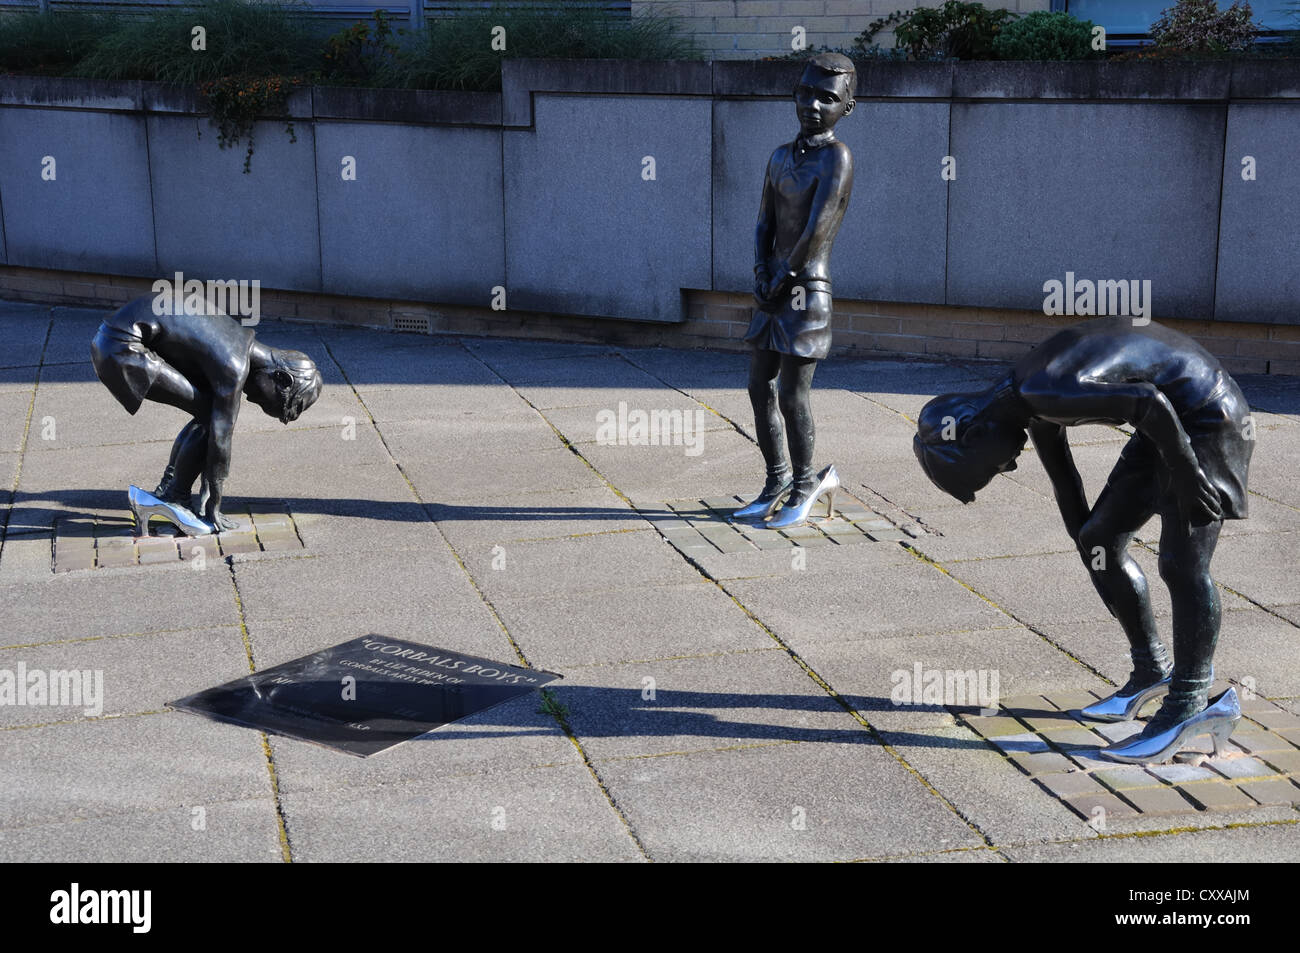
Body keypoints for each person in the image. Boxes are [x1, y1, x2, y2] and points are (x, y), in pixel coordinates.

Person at [913, 317, 1253, 763]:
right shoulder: (1025, 401)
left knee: (1182, 563)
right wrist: (1091, 546)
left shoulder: (1043, 391)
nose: (1009, 469)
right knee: (1101, 540)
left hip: (1207, 417)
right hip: (1164, 425)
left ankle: (1188, 702)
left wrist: (1189, 476)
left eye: (994, 467)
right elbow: (1066, 484)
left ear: (974, 434)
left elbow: (1148, 400)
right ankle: (1153, 671)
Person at [733, 51, 856, 529]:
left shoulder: (837, 158)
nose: (813, 105)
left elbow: (817, 229)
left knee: (792, 394)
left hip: (806, 291)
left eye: (828, 98)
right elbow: (764, 221)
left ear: (848, 106)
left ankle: (807, 482)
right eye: (806, 93)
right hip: (772, 290)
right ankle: (776, 480)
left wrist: (781, 278)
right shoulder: (779, 156)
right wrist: (760, 272)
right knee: (756, 386)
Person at [91, 292, 322, 534]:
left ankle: (169, 490)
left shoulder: (238, 340)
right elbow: (220, 438)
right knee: (210, 417)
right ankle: (174, 497)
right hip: (123, 348)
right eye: (271, 403)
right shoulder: (233, 365)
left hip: (113, 339)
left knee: (207, 412)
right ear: (281, 379)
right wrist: (215, 505)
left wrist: (207, 491)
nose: (255, 400)